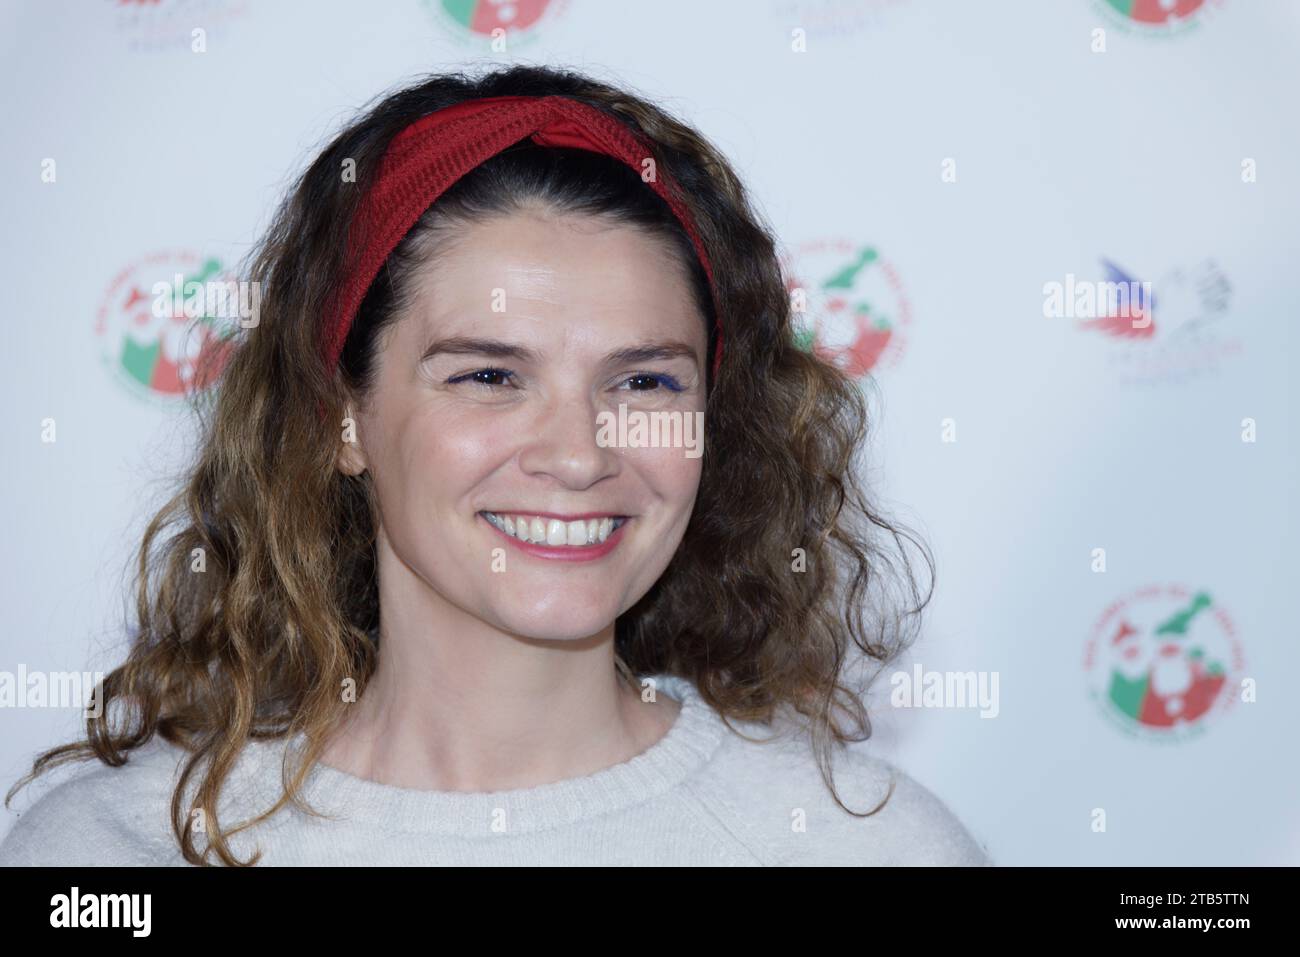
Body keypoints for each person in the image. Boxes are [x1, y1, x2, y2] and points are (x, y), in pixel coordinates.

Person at [0, 64, 990, 866]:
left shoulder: (869, 851)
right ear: (340, 414)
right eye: (487, 376)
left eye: (643, 385)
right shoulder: (111, 856)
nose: (577, 455)